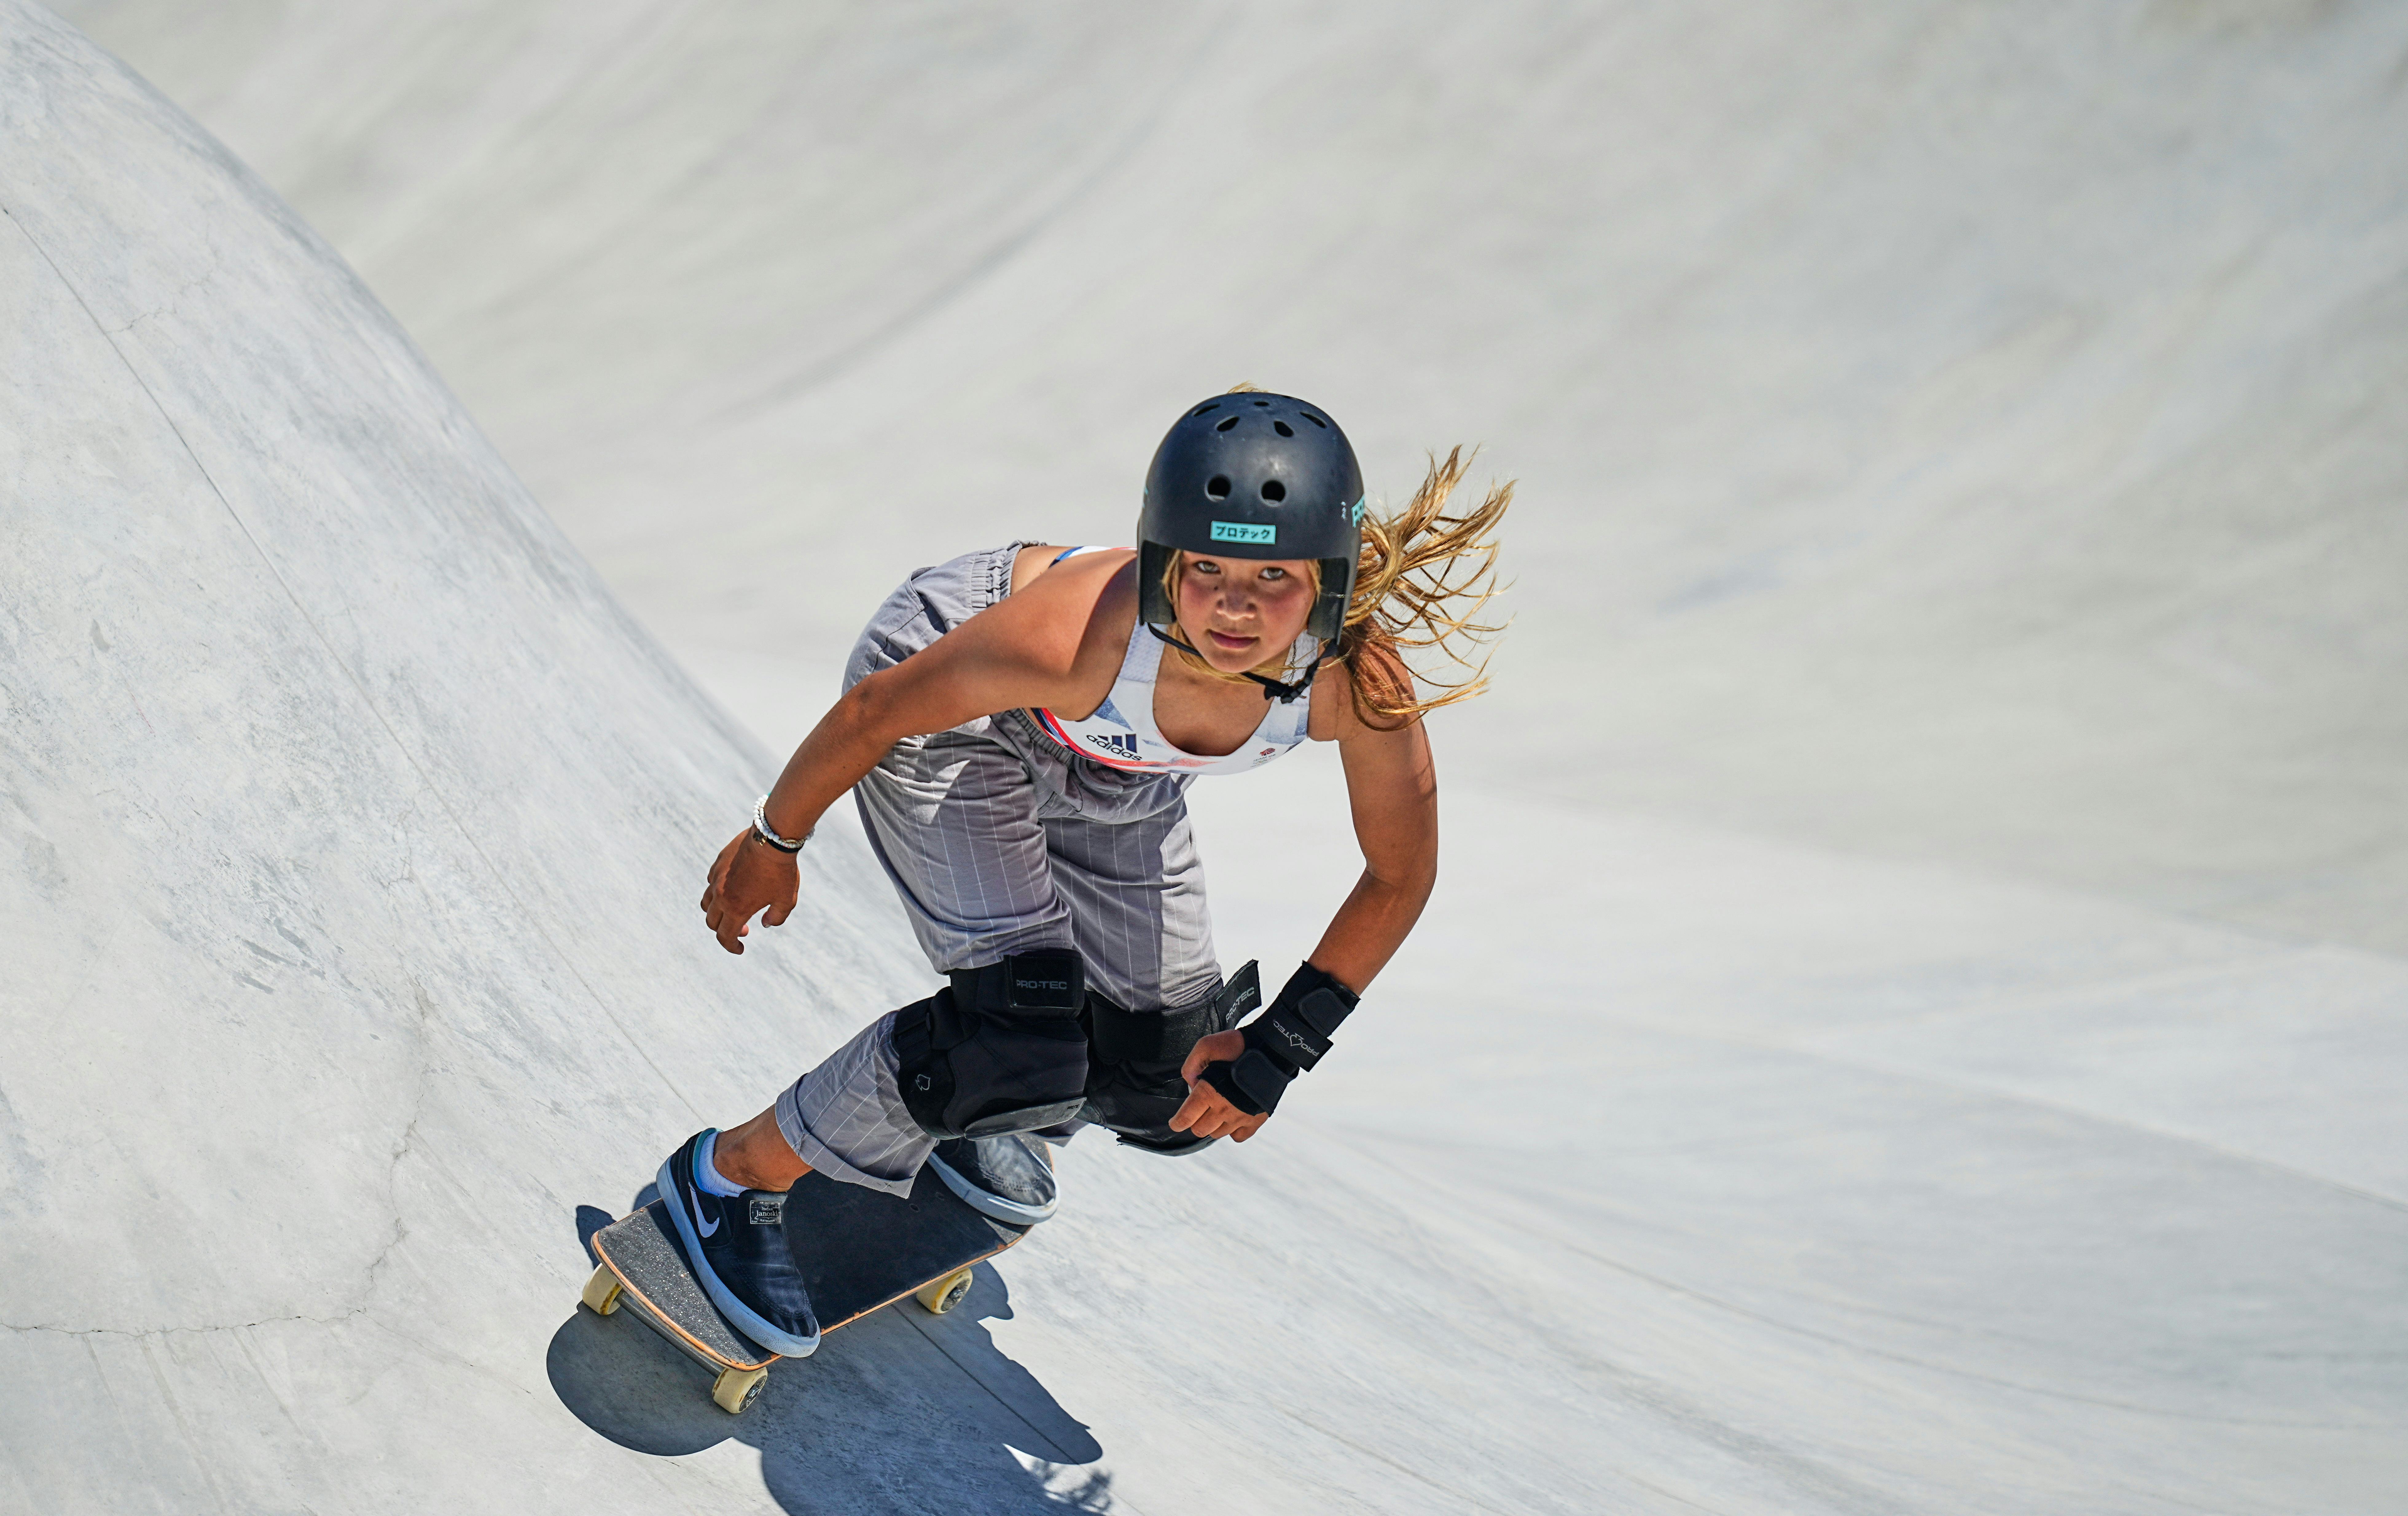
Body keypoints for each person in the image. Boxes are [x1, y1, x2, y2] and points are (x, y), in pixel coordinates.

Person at [659, 389, 1511, 1355]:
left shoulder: (1354, 681)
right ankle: (728, 1178)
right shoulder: (1077, 636)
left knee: (1168, 1080)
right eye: (1206, 571)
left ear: (1331, 579)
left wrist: (1281, 1047)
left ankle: (999, 1122)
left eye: (1274, 576)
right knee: (1012, 1038)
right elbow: (878, 713)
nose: (1235, 608)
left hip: (1110, 768)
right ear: (1161, 565)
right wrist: (775, 840)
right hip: (954, 724)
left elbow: (1400, 872)